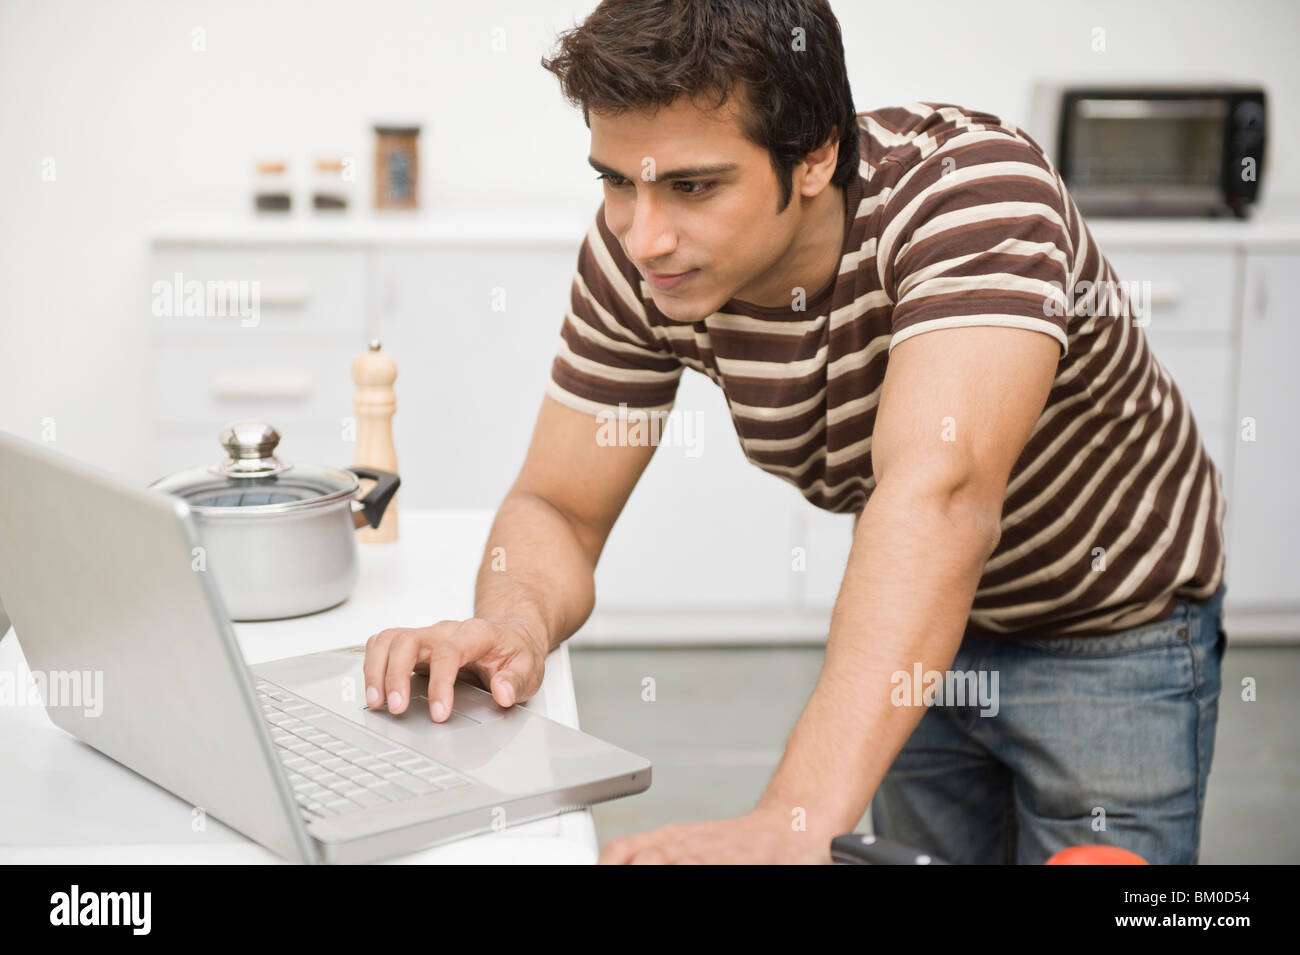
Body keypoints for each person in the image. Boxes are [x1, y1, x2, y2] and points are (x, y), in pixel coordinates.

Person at [362, 0, 1227, 865]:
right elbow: (558, 505)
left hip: (1113, 628)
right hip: (919, 628)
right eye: (617, 181)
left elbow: (941, 498)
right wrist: (512, 624)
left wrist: (796, 818)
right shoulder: (643, 259)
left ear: (815, 153)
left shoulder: (973, 197)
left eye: (693, 185)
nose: (644, 234)